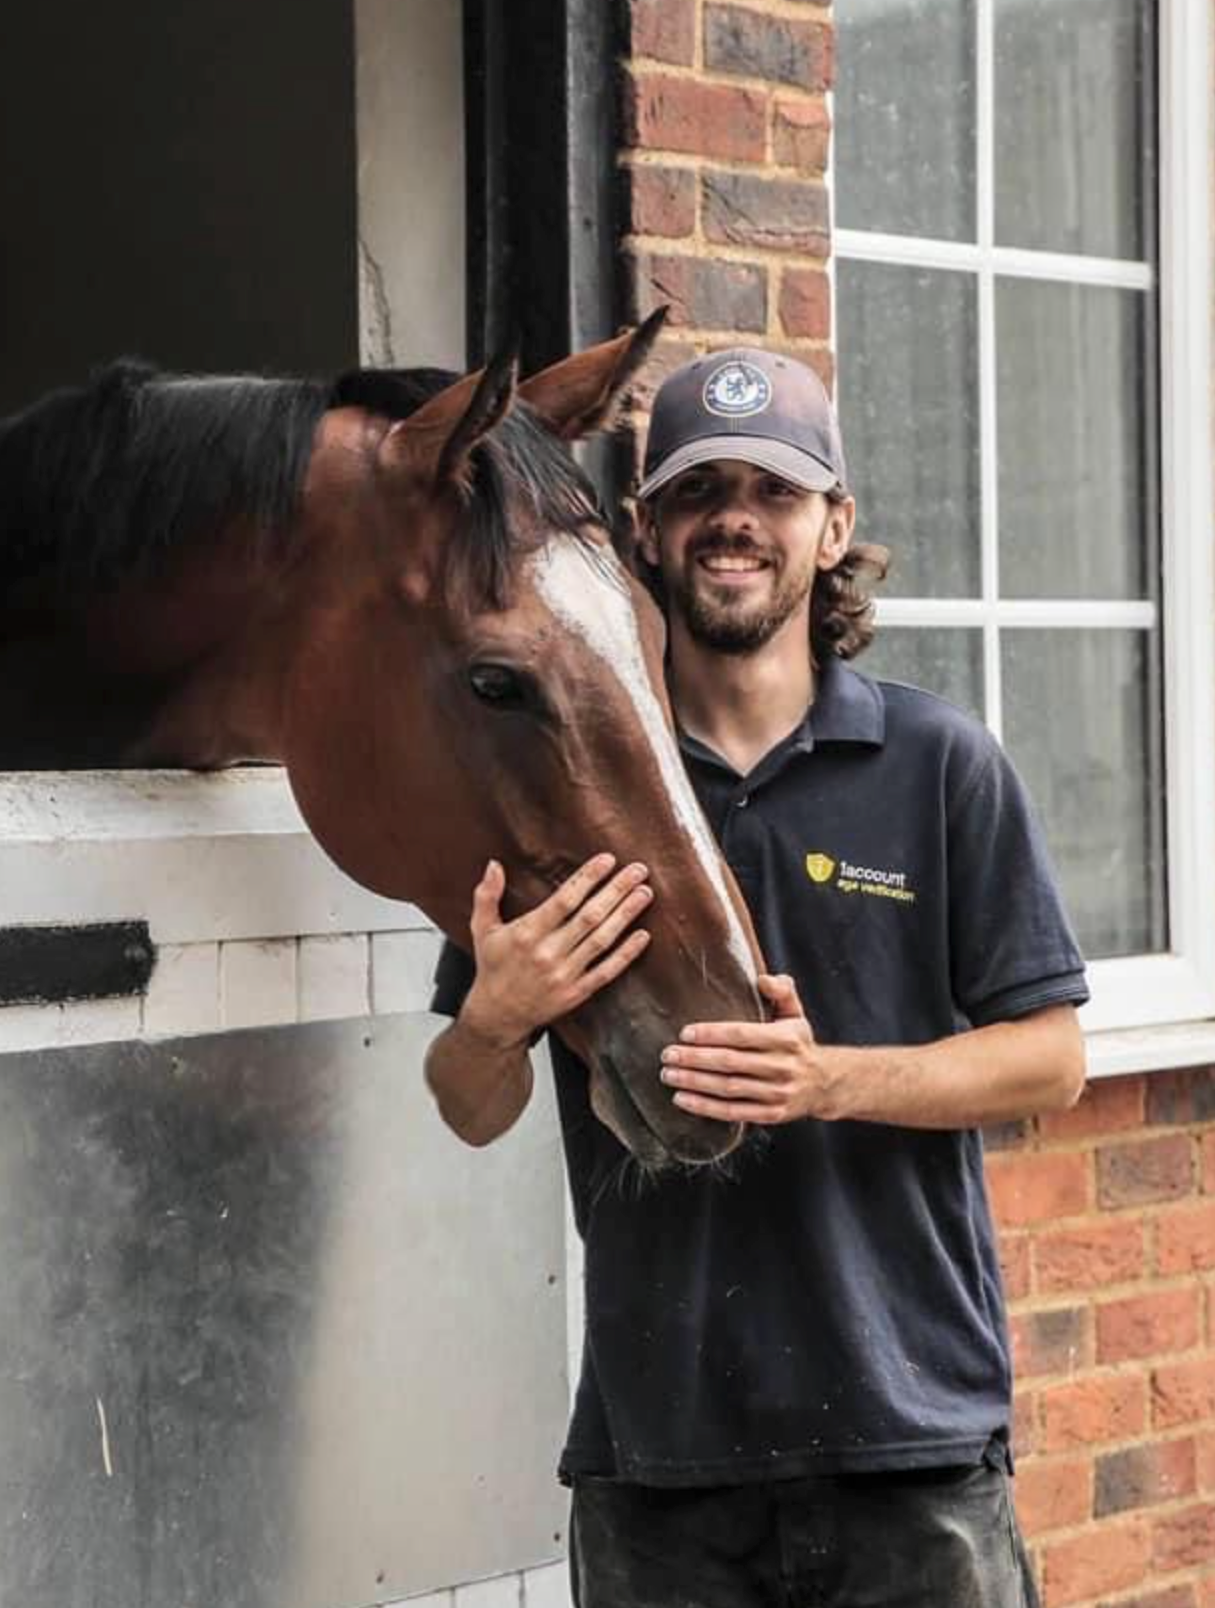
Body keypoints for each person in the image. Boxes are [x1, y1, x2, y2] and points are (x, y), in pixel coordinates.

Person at [425, 345, 1087, 1608]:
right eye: (698, 490)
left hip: (913, 1447)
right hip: (662, 1465)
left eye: (775, 491)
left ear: (833, 527)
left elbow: (1051, 1061)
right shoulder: (565, 773)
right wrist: (493, 1023)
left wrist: (827, 1080)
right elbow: (465, 1104)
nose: (735, 518)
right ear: (646, 528)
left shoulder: (940, 764)